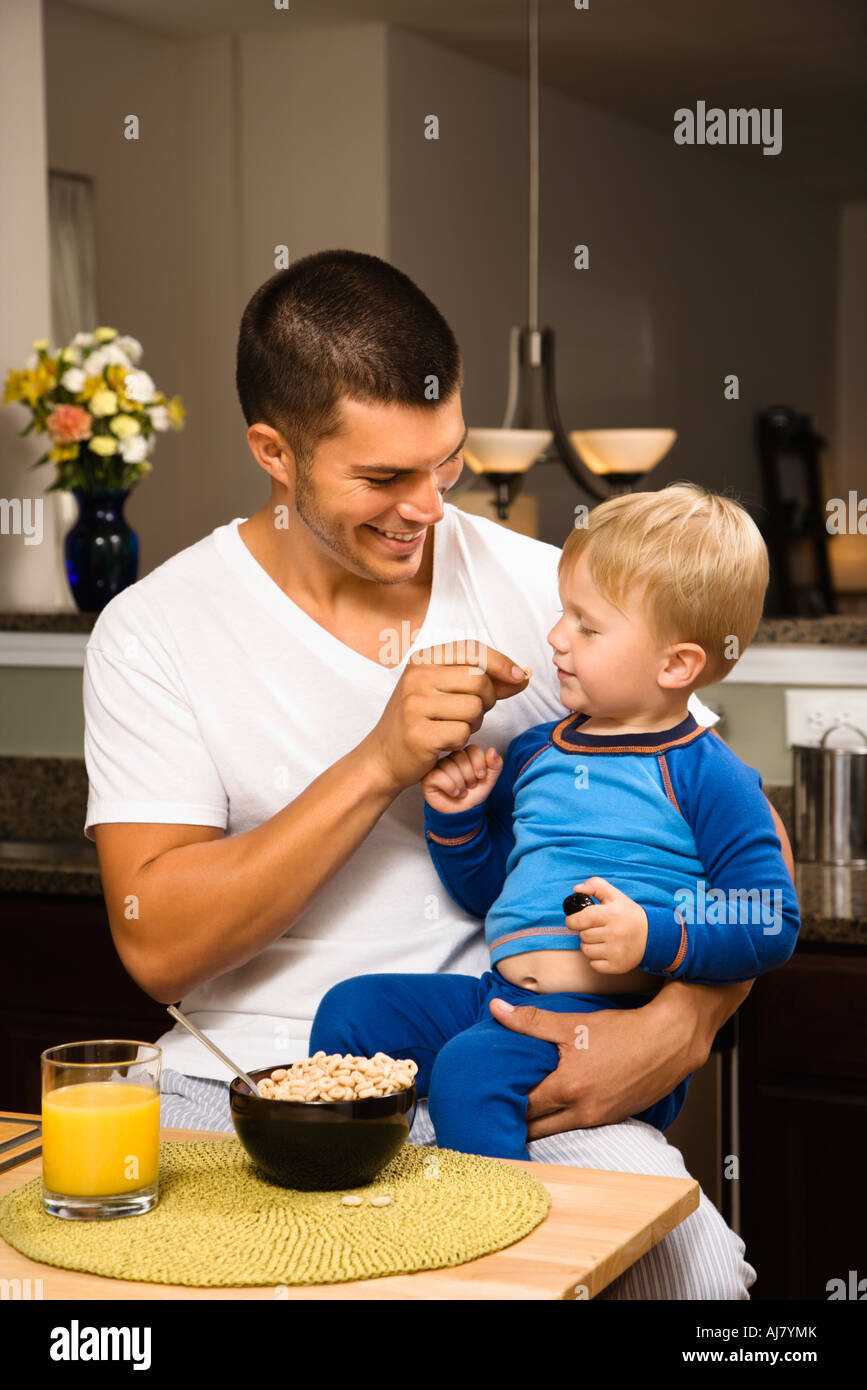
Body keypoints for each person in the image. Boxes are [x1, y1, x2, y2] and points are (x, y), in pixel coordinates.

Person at [83, 249, 792, 1298]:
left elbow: (740, 852)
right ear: (274, 452)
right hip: (239, 1075)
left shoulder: (546, 589)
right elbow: (155, 941)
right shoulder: (155, 630)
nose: (427, 507)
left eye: (446, 463)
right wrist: (379, 762)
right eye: (382, 478)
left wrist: (675, 1028)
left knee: (690, 1276)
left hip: (519, 1059)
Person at [310, 484, 800, 1160]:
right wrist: (456, 822)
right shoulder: (539, 751)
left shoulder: (707, 775)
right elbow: (489, 891)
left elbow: (769, 919)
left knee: (470, 1070)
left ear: (677, 664)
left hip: (603, 1024)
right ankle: (342, 1187)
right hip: (497, 998)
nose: (554, 638)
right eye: (561, 613)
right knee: (353, 1012)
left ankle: (492, 1239)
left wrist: (652, 936)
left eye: (586, 626)